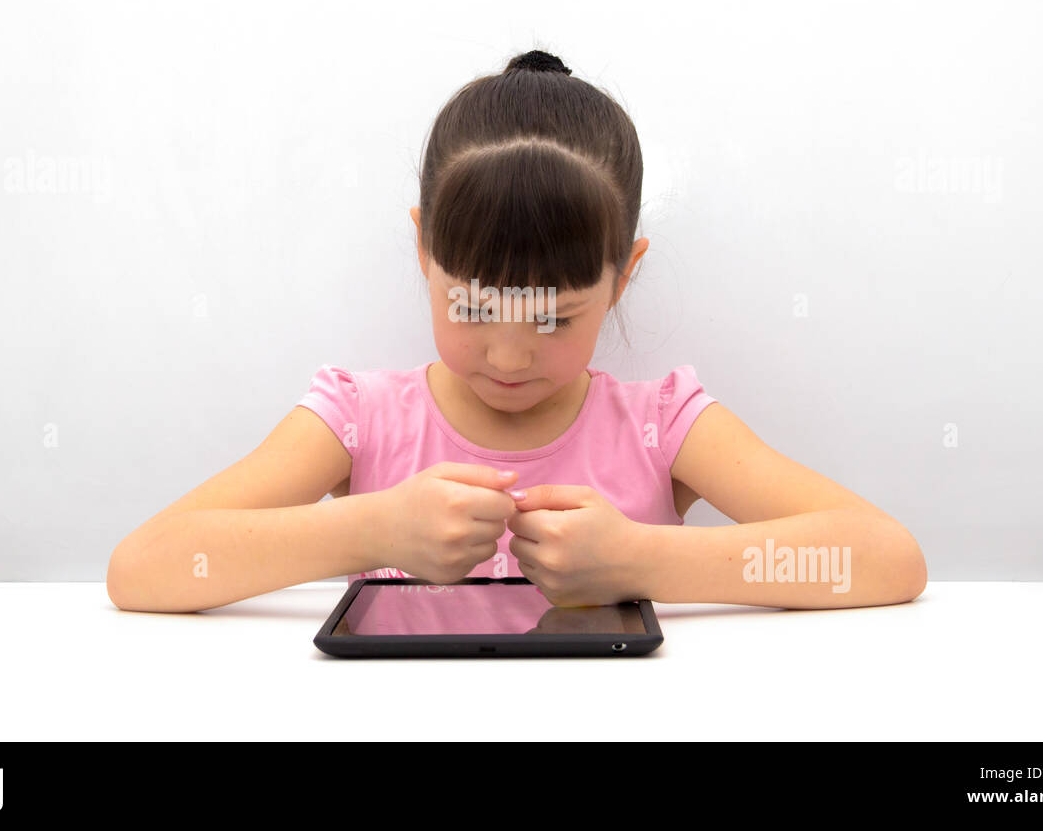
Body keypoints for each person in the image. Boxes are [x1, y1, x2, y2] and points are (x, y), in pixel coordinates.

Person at [107, 49, 926, 613]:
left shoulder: (661, 426)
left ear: (623, 275)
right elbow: (142, 567)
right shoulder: (358, 420)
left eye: (553, 318)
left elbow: (886, 557)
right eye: (472, 307)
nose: (506, 354)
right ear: (425, 251)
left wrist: (642, 561)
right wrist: (372, 528)